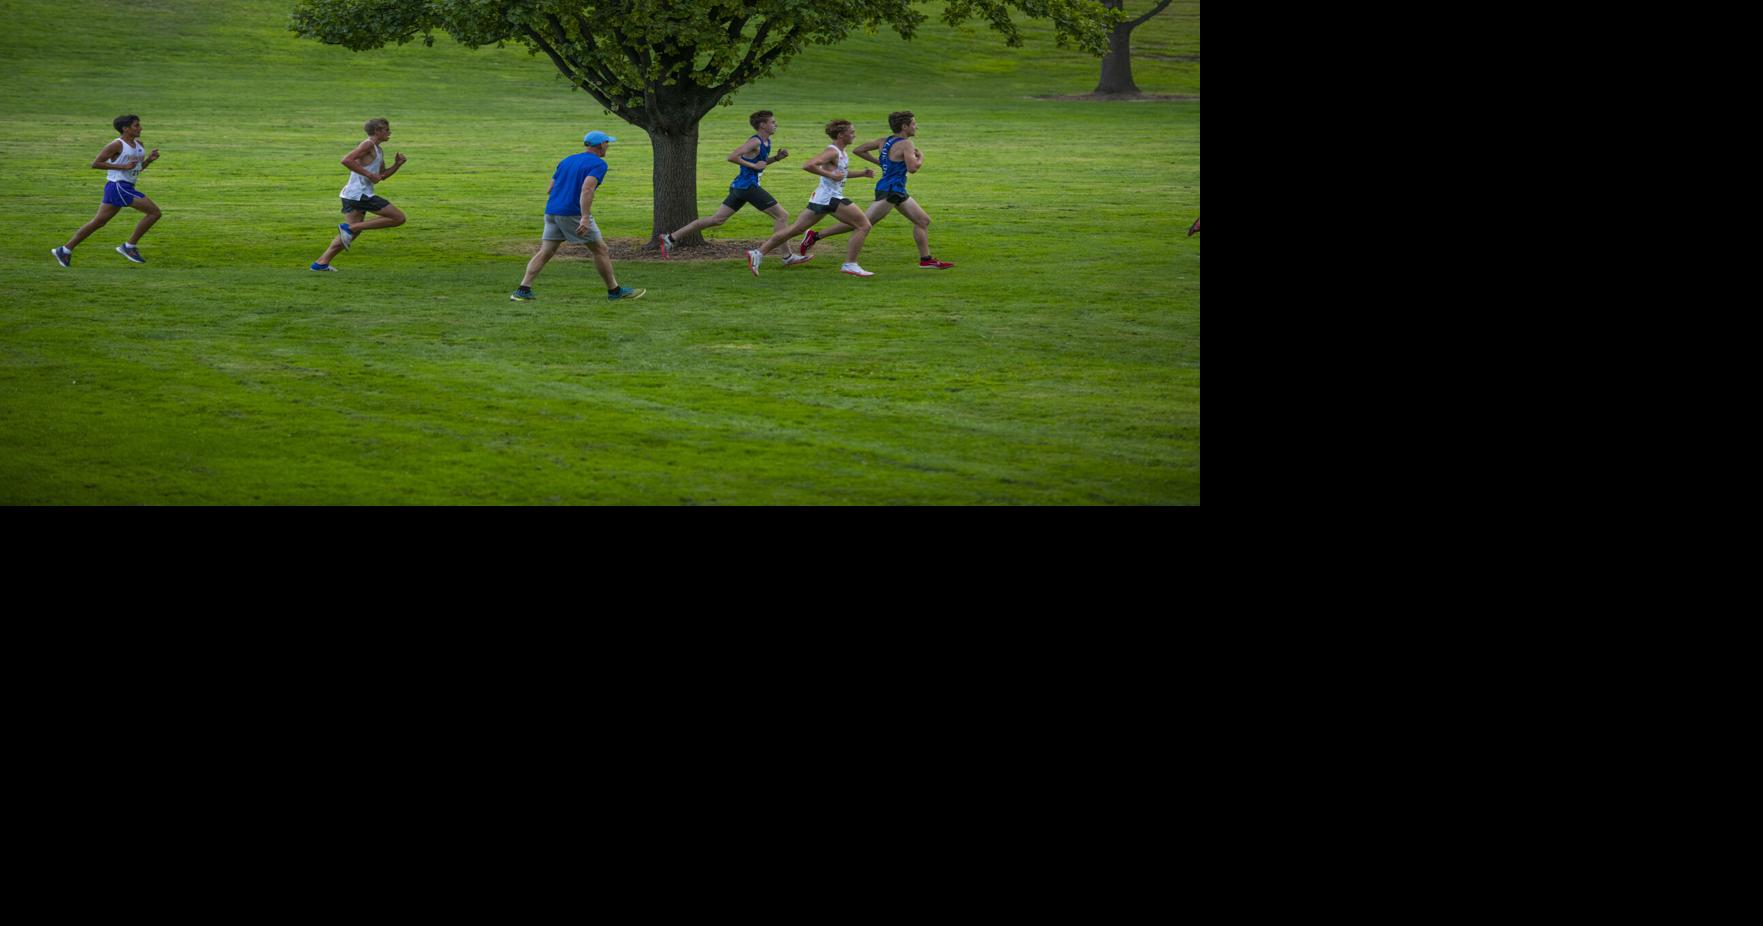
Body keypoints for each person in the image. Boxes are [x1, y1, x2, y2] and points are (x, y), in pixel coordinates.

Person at [799, 111, 953, 270]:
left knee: (922, 220)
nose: (916, 127)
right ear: (905, 126)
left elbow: (858, 150)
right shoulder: (907, 144)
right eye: (913, 124)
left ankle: (926, 259)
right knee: (863, 223)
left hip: (896, 189)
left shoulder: (884, 141)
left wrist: (881, 162)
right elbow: (912, 168)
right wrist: (921, 157)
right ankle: (817, 238)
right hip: (890, 190)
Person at [511, 130, 644, 302]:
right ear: (601, 144)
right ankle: (615, 291)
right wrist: (585, 217)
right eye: (607, 143)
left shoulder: (567, 160)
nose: (608, 146)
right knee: (600, 249)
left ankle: (522, 291)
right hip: (571, 212)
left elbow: (550, 189)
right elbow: (587, 189)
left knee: (546, 251)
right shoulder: (598, 164)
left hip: (552, 210)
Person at [659, 110, 805, 261]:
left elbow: (759, 163)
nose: (776, 125)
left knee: (717, 219)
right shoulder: (755, 141)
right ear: (762, 125)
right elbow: (732, 157)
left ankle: (671, 238)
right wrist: (753, 167)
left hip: (739, 187)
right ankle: (787, 256)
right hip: (748, 186)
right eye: (772, 122)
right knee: (782, 216)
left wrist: (776, 158)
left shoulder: (766, 142)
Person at [747, 119, 876, 278]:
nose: (854, 135)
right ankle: (850, 264)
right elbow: (809, 165)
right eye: (852, 132)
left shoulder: (840, 152)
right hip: (830, 197)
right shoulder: (833, 151)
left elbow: (840, 174)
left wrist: (862, 174)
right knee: (864, 225)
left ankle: (758, 253)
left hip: (821, 198)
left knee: (796, 229)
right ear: (841, 135)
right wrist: (830, 175)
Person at [51, 114, 163, 267]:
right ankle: (129, 247)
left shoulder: (139, 145)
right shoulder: (116, 145)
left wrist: (149, 160)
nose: (140, 128)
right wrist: (122, 167)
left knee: (98, 222)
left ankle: (64, 250)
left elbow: (135, 170)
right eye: (136, 125)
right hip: (118, 186)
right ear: (125, 128)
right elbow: (96, 163)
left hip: (124, 187)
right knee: (154, 212)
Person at [310, 118, 407, 271]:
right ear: (377, 131)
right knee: (398, 218)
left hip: (351, 195)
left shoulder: (378, 150)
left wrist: (397, 165)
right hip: (359, 194)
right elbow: (346, 160)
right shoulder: (367, 144)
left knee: (350, 234)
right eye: (387, 130)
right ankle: (351, 228)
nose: (390, 132)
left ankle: (321, 263)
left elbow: (381, 175)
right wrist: (368, 174)